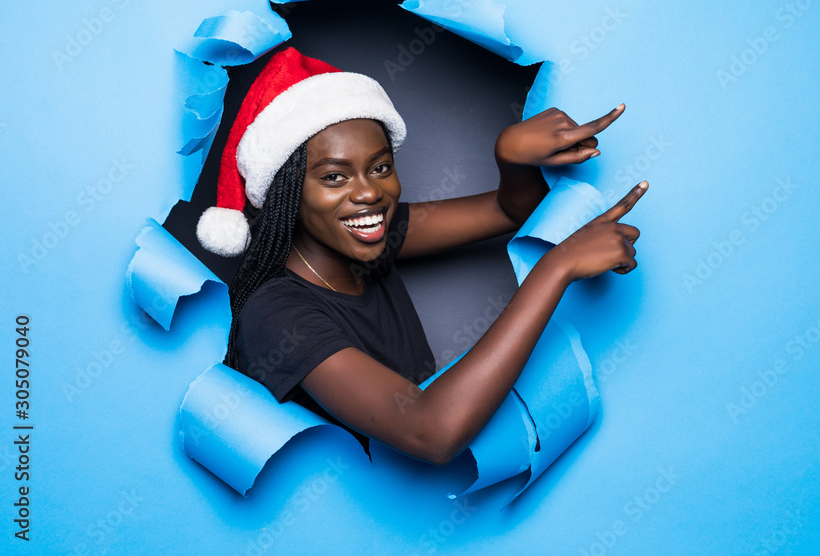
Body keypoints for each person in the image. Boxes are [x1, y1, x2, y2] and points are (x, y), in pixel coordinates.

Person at [197, 46, 647, 466]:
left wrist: (510, 158)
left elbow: (509, 211)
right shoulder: (277, 315)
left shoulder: (369, 237)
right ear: (286, 194)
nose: (369, 192)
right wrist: (555, 268)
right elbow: (430, 431)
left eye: (380, 167)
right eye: (334, 177)